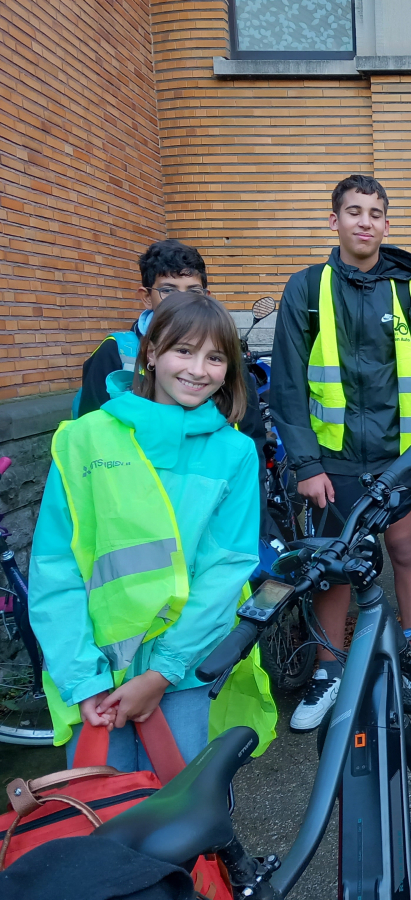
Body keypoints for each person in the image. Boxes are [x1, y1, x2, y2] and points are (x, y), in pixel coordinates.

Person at [29, 292, 277, 769]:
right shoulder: (84, 440)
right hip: (93, 673)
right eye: (183, 350)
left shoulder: (235, 453)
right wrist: (84, 680)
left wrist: (162, 672)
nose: (198, 369)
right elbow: (55, 566)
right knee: (104, 821)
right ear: (151, 352)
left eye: (216, 357)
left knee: (179, 816)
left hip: (182, 673)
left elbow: (226, 569)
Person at [272, 174, 411, 731]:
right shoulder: (305, 289)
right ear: (335, 221)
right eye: (354, 212)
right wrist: (305, 464)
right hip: (334, 460)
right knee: (335, 568)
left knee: (405, 550)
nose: (365, 222)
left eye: (375, 213)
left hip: (400, 458)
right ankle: (330, 672)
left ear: (387, 223)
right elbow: (288, 385)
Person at [75, 240, 266, 467]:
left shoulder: (224, 353)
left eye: (193, 291)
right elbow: (89, 438)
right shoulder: (116, 351)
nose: (182, 300)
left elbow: (250, 433)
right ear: (146, 297)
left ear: (207, 295)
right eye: (168, 290)